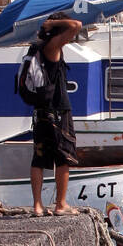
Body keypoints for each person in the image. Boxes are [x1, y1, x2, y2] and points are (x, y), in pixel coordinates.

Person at [29, 14, 83, 216]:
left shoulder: (35, 48)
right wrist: (54, 23)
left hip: (40, 111)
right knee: (63, 157)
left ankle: (37, 205)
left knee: (39, 158)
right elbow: (76, 24)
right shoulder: (53, 47)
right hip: (58, 111)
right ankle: (61, 204)